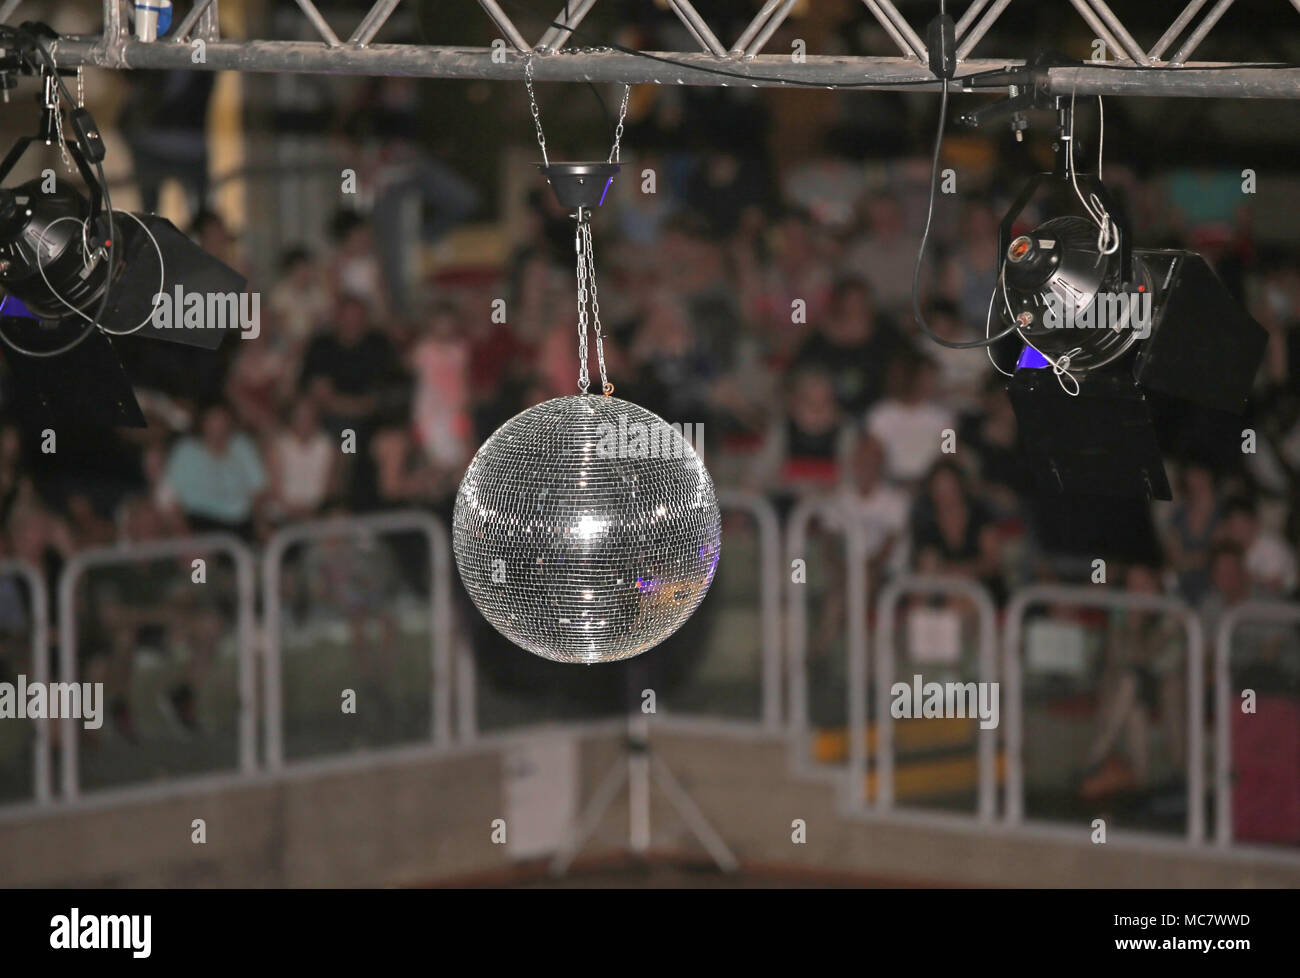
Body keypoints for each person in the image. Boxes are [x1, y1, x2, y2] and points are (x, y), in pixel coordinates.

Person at [1079, 563, 1185, 799]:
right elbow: (1115, 661)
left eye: (1143, 585)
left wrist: (1136, 629)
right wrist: (1129, 626)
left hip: (1165, 687)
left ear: (1156, 587)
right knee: (1131, 697)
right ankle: (1140, 779)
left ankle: (1093, 759)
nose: (1137, 592)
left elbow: (1151, 659)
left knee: (1131, 685)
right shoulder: (1121, 612)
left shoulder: (1170, 615)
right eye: (1131, 586)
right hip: (1129, 690)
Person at [162, 404, 268, 539]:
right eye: (212, 421)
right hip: (200, 521)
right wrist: (186, 539)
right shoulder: (185, 451)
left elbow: (258, 490)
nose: (218, 428)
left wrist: (261, 523)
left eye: (222, 421)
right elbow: (170, 500)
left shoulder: (242, 445)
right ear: (202, 423)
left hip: (241, 521)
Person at [865, 352, 955, 486]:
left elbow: (949, 453)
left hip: (929, 486)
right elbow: (871, 456)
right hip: (890, 484)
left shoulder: (944, 416)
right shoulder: (880, 414)